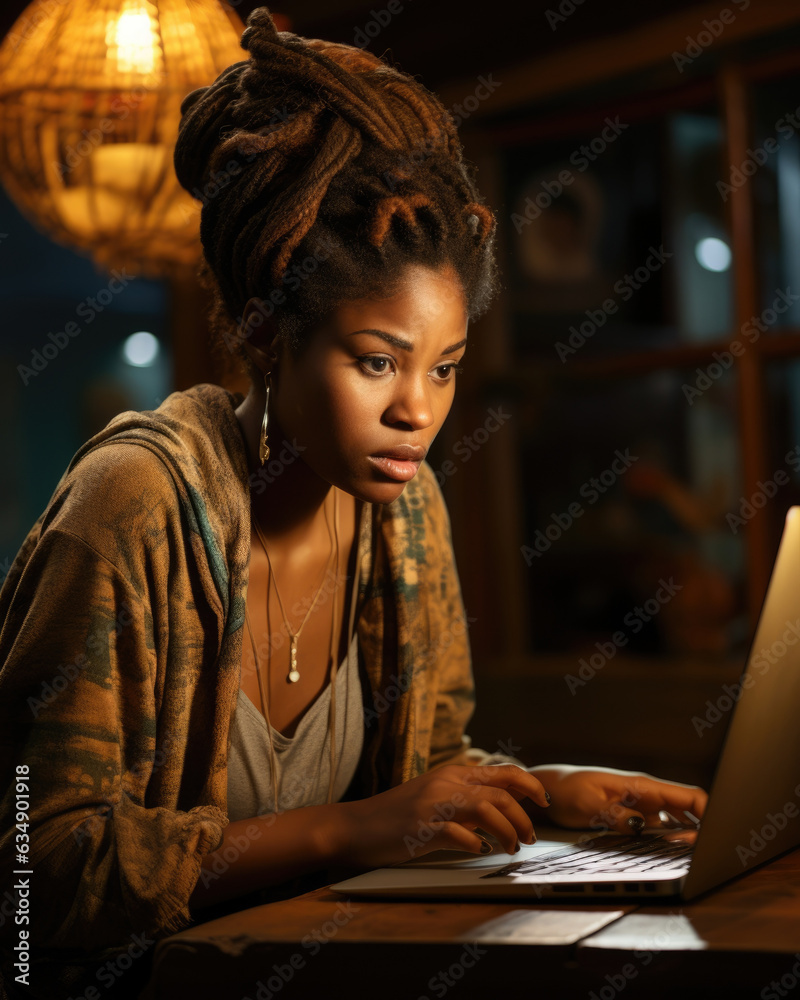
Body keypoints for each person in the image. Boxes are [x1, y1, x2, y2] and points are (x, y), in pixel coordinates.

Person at [0, 8, 707, 998]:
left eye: (445, 368)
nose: (415, 410)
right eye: (375, 361)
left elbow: (428, 761)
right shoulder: (132, 503)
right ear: (264, 334)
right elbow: (35, 874)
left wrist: (544, 795)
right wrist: (346, 828)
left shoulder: (403, 516)